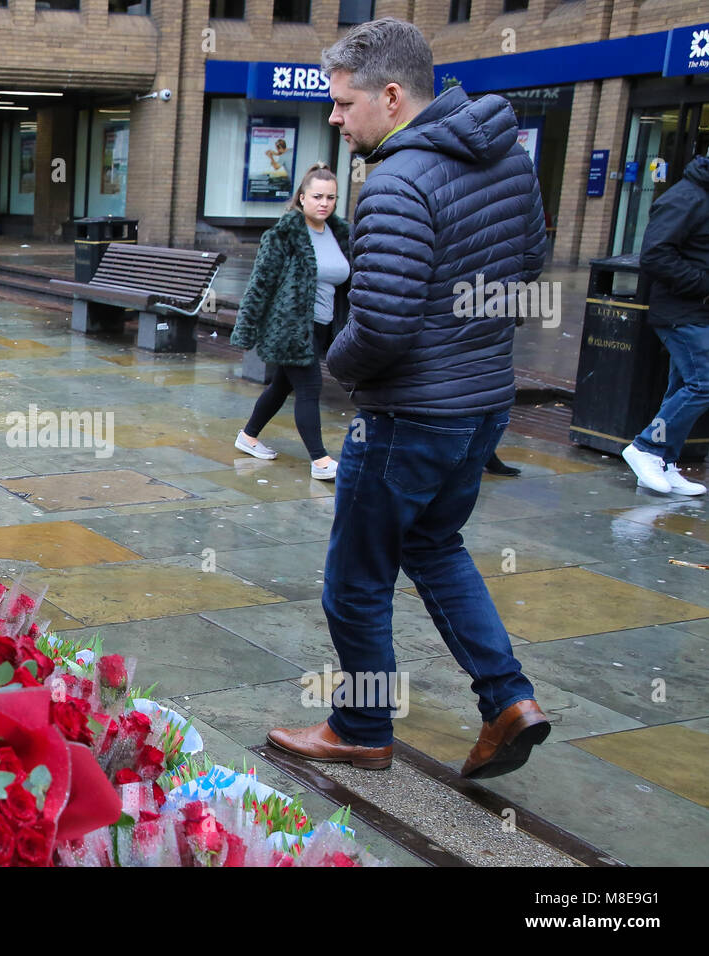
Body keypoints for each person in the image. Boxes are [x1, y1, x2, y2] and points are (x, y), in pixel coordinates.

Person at [265, 18, 550, 780]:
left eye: (343, 103)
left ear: (392, 97)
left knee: (357, 579)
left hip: (409, 415)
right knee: (434, 545)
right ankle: (508, 699)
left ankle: (360, 726)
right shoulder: (509, 161)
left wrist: (342, 372)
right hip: (481, 406)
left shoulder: (396, 177)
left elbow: (383, 323)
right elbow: (530, 267)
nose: (334, 117)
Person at [230, 162, 350, 480]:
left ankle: (248, 435)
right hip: (291, 327)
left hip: (324, 327)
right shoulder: (283, 235)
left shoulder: (340, 234)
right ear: (301, 198)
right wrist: (246, 328)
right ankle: (320, 460)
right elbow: (260, 283)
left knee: (282, 385)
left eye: (331, 197)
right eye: (317, 196)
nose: (324, 203)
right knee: (310, 387)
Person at [620, 149, 709, 497]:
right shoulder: (686, 196)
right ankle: (646, 448)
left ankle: (663, 460)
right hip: (681, 312)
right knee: (703, 383)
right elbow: (655, 255)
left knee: (682, 388)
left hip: (696, 311)